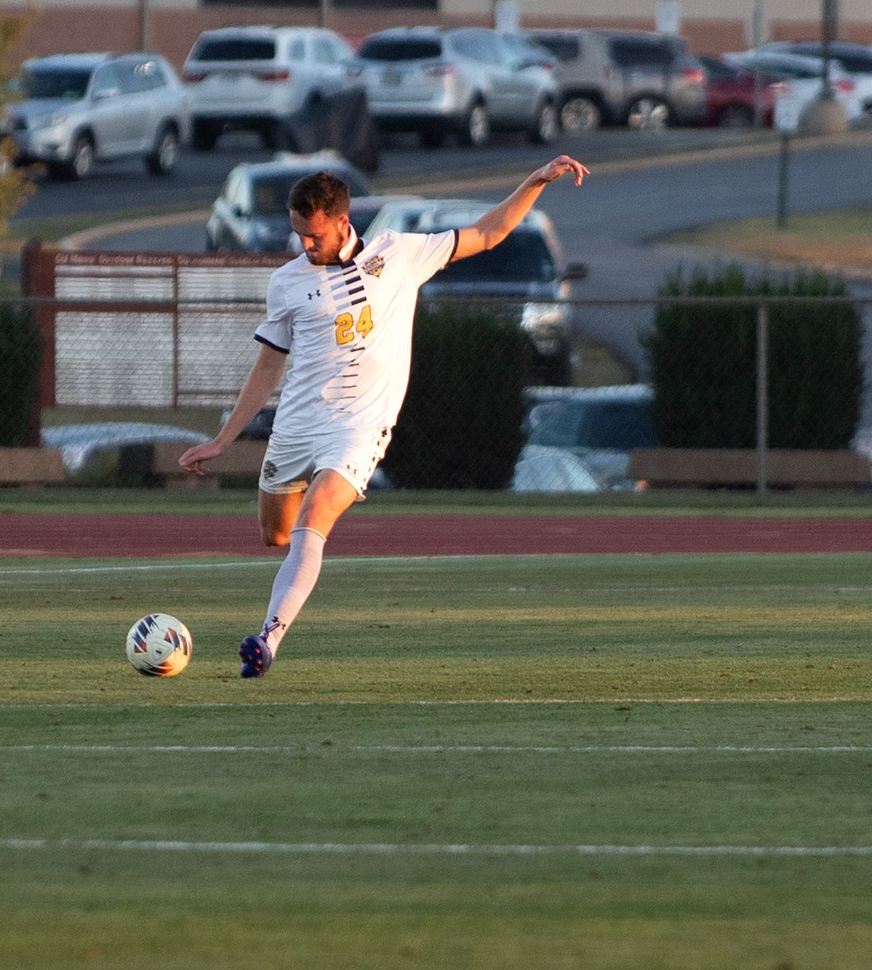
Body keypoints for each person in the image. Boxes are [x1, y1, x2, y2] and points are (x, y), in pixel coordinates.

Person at [179, 155, 589, 678]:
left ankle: (268, 640)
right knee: (275, 536)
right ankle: (288, 578)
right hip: (296, 426)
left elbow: (488, 233)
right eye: (298, 235)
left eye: (314, 236)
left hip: (358, 427)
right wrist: (223, 439)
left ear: (344, 223)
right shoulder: (286, 282)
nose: (304, 245)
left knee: (314, 521)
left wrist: (533, 181)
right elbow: (266, 367)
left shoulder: (399, 254)